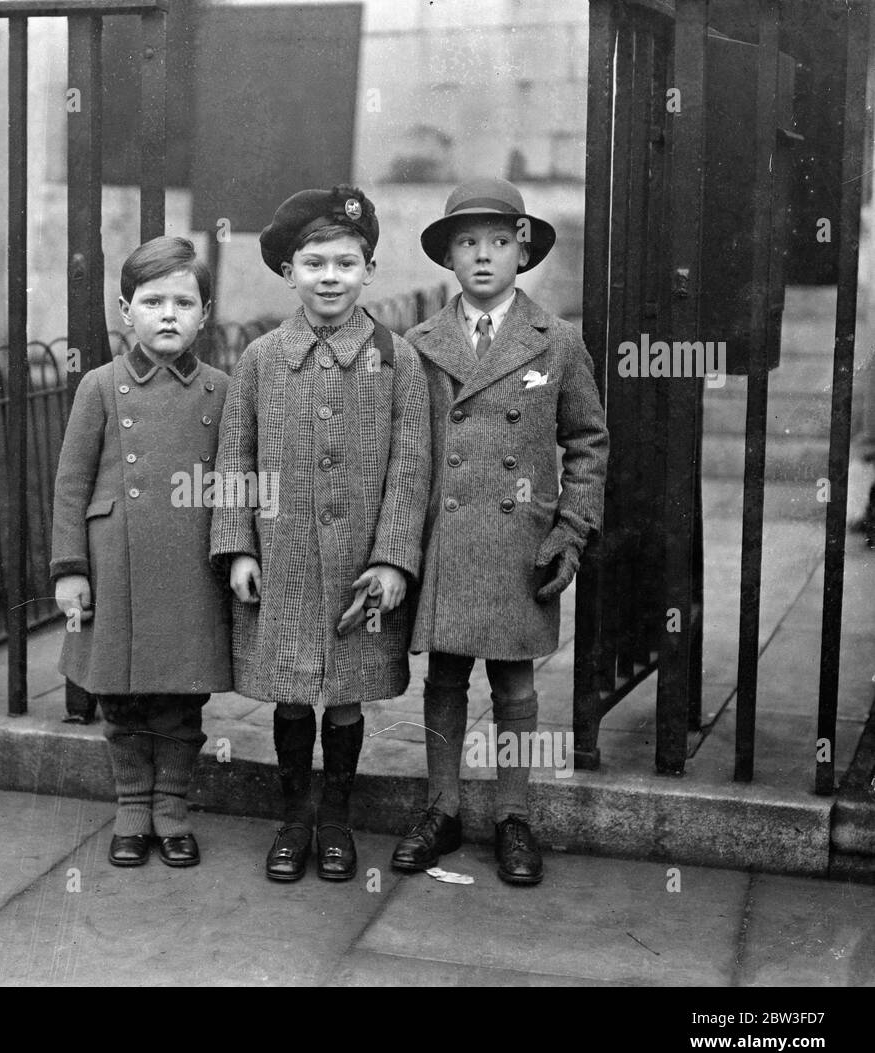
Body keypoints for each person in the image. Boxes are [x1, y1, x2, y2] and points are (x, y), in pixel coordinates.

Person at [211, 185, 431, 883]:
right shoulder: (261, 359)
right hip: (282, 557)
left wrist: (394, 559)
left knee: (344, 694)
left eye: (345, 263)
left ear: (369, 269)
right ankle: (293, 818)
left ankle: (335, 820)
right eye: (314, 264)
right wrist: (238, 545)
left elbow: (411, 467)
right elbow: (234, 458)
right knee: (289, 690)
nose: (329, 277)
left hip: (361, 561)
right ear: (289, 273)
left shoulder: (398, 361)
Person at [394, 178, 608, 885]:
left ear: (523, 252)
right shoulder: (420, 344)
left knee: (515, 686)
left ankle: (515, 815)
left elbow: (588, 442)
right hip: (448, 539)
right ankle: (443, 809)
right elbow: (407, 448)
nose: (483, 257)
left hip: (521, 542)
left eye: (497, 242)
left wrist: (570, 530)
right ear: (449, 259)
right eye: (466, 243)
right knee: (445, 675)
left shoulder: (557, 340)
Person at [50, 236, 231, 869]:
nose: (168, 315)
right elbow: (71, 482)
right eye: (152, 301)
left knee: (181, 696)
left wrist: (237, 553)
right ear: (126, 310)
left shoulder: (220, 391)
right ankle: (132, 805)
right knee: (121, 696)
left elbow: (237, 481)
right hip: (115, 562)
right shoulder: (101, 387)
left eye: (184, 301)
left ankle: (172, 808)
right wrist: (70, 569)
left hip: (189, 565)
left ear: (204, 313)